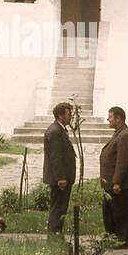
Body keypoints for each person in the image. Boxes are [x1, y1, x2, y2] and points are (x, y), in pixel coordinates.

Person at [99, 106, 128, 249]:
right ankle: (112, 237)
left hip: (117, 184)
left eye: (111, 117)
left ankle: (122, 239)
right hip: (109, 182)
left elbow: (123, 161)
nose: (108, 119)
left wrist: (117, 182)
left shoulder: (125, 135)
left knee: (119, 212)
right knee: (110, 212)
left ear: (119, 118)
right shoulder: (119, 133)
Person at [42, 102, 75, 238]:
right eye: (68, 114)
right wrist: (60, 177)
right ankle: (54, 234)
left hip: (63, 177)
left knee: (61, 206)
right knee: (58, 207)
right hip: (59, 178)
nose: (71, 117)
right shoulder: (55, 131)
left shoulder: (60, 129)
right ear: (60, 115)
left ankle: (57, 232)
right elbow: (56, 157)